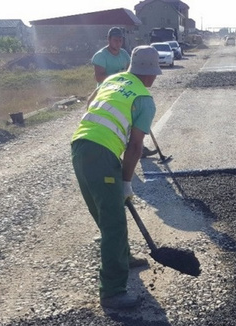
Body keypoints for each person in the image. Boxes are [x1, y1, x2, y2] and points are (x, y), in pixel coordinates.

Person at [71, 46, 161, 309]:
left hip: (79, 145)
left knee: (107, 215)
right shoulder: (144, 99)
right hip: (101, 153)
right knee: (113, 223)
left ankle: (122, 257)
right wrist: (125, 182)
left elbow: (91, 104)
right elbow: (135, 147)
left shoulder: (114, 79)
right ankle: (112, 291)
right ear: (151, 74)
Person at [91, 27, 157, 158]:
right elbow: (99, 77)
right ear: (109, 40)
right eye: (115, 40)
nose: (118, 43)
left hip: (124, 91)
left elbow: (132, 73)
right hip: (107, 93)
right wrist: (118, 78)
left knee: (134, 119)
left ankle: (139, 146)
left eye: (120, 40)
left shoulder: (124, 54)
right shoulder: (100, 56)